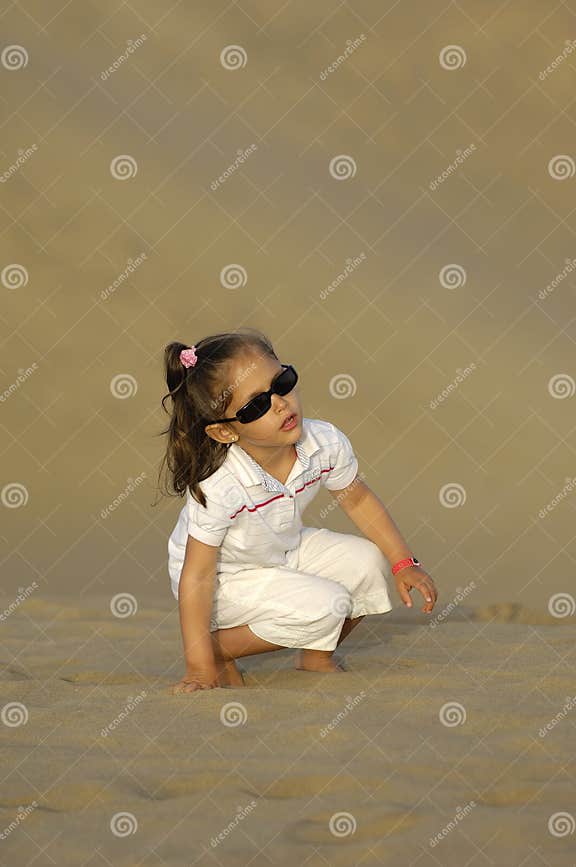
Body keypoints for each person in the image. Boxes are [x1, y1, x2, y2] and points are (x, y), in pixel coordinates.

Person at [157, 328, 438, 694]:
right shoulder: (221, 484)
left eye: (282, 382)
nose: (279, 403)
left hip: (281, 550)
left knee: (367, 564)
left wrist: (404, 562)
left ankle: (315, 655)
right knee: (325, 605)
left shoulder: (323, 442)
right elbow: (196, 576)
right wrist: (198, 668)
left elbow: (357, 499)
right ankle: (214, 651)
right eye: (255, 405)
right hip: (224, 578)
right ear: (225, 433)